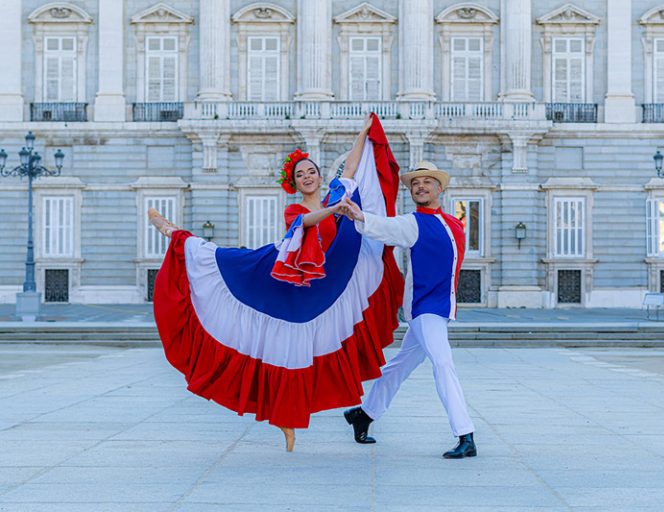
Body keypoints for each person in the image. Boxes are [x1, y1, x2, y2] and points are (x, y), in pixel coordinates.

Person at [148, 114, 403, 452]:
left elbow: (352, 167)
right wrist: (335, 210)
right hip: (290, 283)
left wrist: (364, 132)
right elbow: (306, 222)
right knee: (226, 262)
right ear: (295, 184)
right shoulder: (298, 210)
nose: (308, 176)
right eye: (301, 175)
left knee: (301, 353)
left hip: (327, 283)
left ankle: (290, 416)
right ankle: (175, 235)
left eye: (312, 171)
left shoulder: (336, 196)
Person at [342, 161, 477, 459]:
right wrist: (360, 215)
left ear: (439, 188)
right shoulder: (412, 223)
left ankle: (364, 414)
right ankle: (465, 434)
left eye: (427, 182)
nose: (420, 186)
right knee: (443, 364)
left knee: (400, 365)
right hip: (424, 308)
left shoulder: (454, 223)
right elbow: (386, 228)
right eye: (415, 183)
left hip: (440, 306)